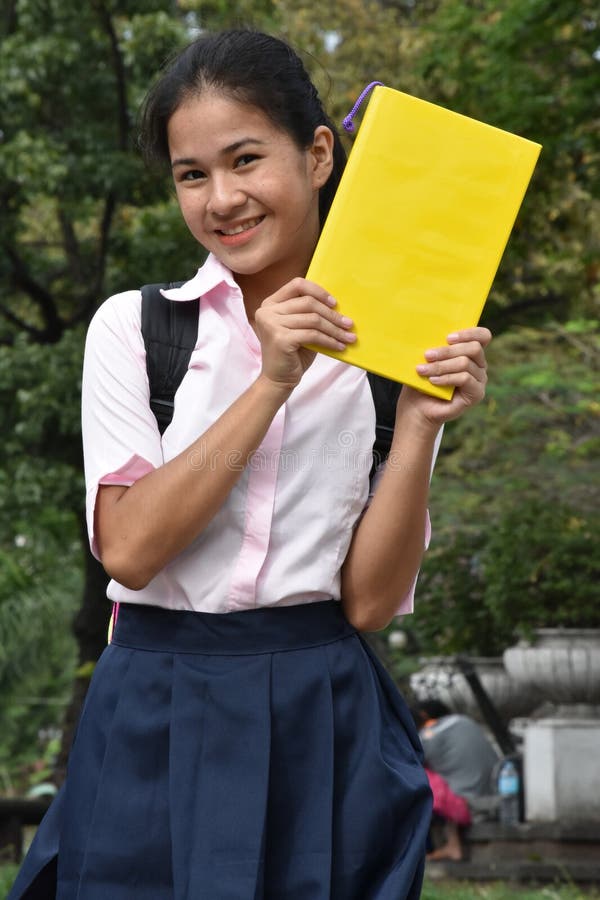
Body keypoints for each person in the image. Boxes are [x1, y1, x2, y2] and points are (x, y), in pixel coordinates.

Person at [9, 29, 491, 900]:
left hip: (322, 709)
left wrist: (421, 425)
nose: (222, 199)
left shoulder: (399, 352)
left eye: (245, 159)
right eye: (192, 174)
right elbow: (129, 551)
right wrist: (271, 381)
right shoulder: (138, 330)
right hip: (155, 699)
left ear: (318, 155)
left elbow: (369, 603)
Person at [411, 700, 500, 861]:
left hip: (466, 803)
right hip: (495, 795)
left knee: (416, 777)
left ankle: (446, 846)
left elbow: (411, 761)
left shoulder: (430, 734)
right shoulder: (464, 721)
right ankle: (452, 845)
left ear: (423, 716)